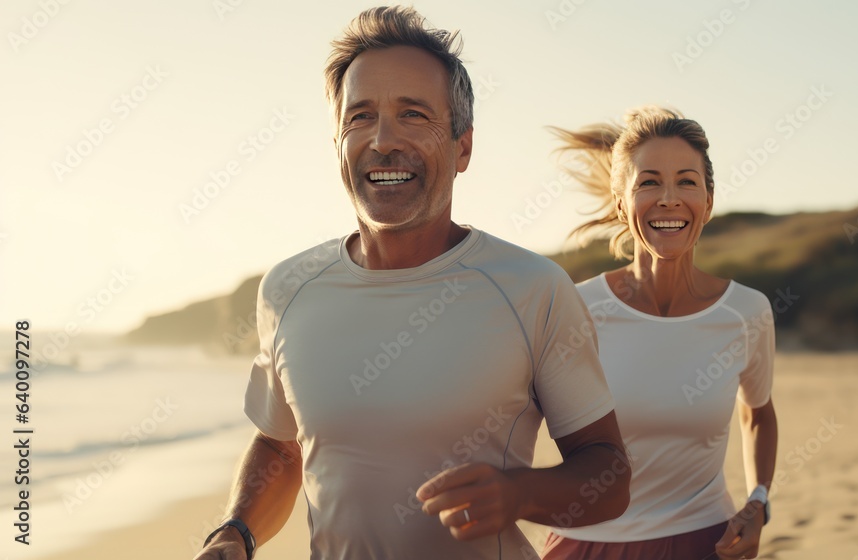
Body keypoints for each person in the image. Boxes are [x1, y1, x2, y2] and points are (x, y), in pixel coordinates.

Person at [193, 6, 631, 560]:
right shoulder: (288, 289)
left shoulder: (532, 289)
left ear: (463, 146)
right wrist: (236, 532)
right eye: (360, 117)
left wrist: (522, 492)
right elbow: (282, 450)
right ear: (337, 145)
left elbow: (609, 475)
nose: (382, 141)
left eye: (413, 114)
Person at [540, 107, 779, 560]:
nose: (669, 198)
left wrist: (759, 501)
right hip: (587, 544)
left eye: (686, 181)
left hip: (704, 541)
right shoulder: (576, 308)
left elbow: (759, 415)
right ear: (621, 204)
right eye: (648, 181)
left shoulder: (748, 313)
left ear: (708, 201)